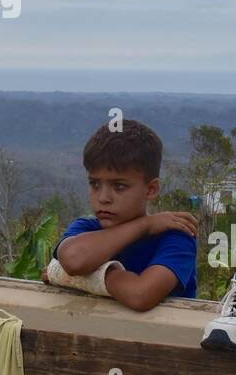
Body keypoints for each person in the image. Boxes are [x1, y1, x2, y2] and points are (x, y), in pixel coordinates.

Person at [49, 120, 198, 310]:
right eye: (95, 184)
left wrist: (79, 277)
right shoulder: (86, 228)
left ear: (151, 189)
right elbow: (73, 260)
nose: (103, 198)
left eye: (119, 186)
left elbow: (140, 295)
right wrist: (145, 225)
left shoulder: (177, 236)